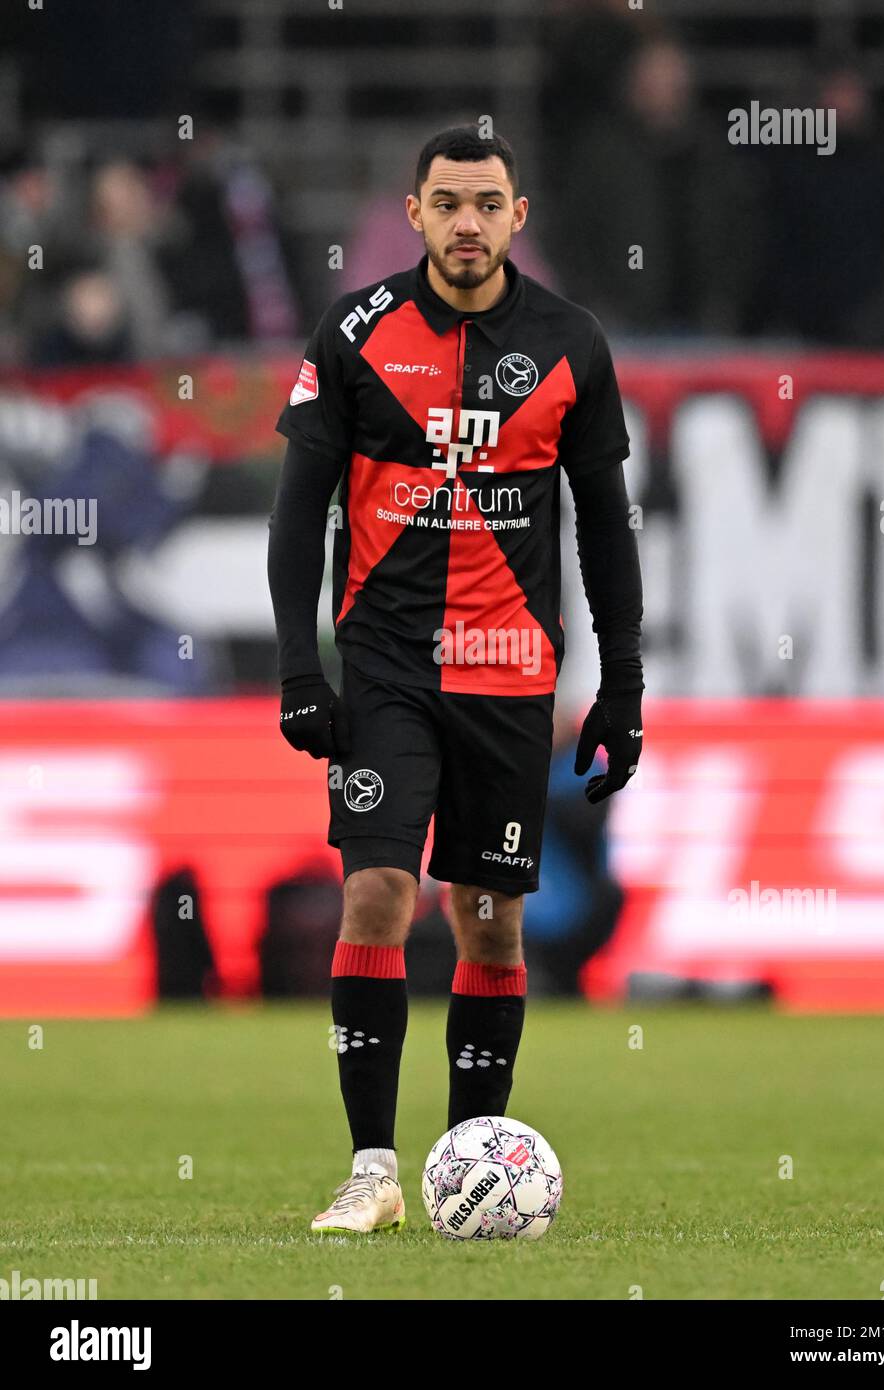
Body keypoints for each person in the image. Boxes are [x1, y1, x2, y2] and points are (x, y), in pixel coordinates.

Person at [267, 125, 644, 1234]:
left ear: (518, 215)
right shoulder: (354, 333)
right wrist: (299, 668)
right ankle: (372, 1168)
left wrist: (622, 682)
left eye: (487, 204)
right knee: (378, 893)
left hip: (510, 670)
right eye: (447, 203)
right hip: (386, 666)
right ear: (415, 213)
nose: (467, 223)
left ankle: (467, 1167)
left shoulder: (571, 343)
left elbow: (605, 528)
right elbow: (298, 512)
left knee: (487, 922)